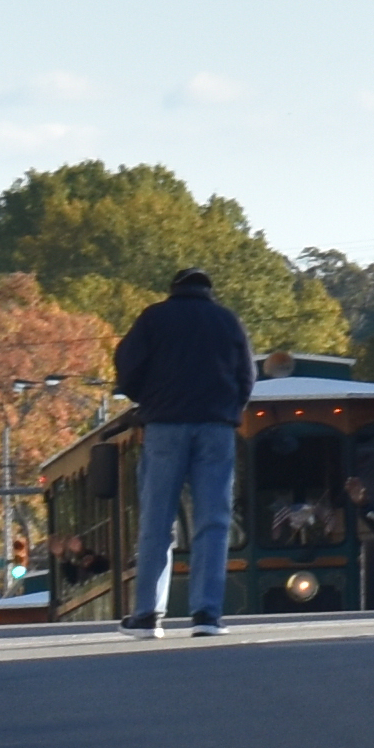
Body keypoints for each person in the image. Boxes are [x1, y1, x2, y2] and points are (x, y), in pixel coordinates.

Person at [110, 263, 257, 636]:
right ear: (208, 290)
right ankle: (207, 615)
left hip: (164, 427)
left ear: (174, 288)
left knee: (157, 522)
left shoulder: (154, 319)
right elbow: (246, 377)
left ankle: (147, 615)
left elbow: (126, 368)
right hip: (216, 428)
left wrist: (150, 400)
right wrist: (228, 408)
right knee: (213, 521)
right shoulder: (228, 321)